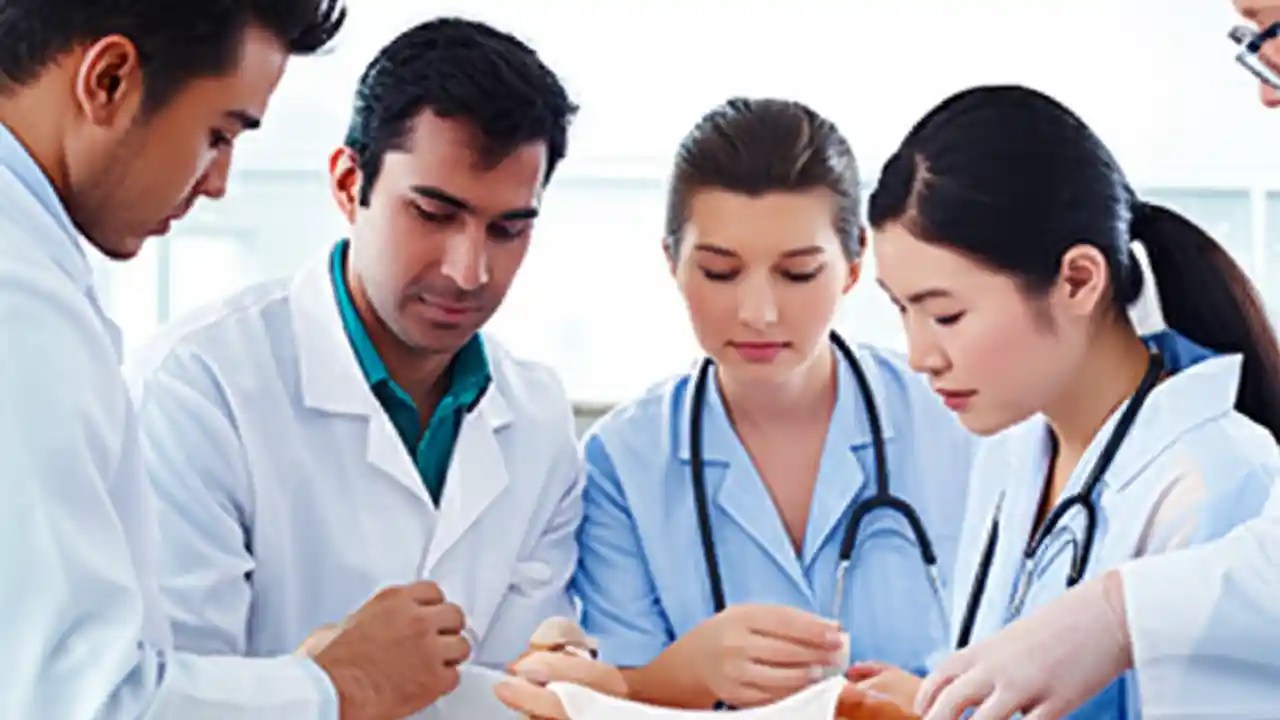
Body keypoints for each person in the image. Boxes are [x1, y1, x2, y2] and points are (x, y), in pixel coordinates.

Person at [0, 2, 489, 719]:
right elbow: (76, 701)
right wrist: (337, 687)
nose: (217, 181)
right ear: (107, 80)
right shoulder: (23, 307)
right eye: (217, 134)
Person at [125, 16, 581, 715]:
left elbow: (520, 691)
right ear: (348, 184)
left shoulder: (540, 418)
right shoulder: (202, 386)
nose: (468, 271)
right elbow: (174, 694)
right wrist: (335, 686)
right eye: (433, 213)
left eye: (508, 229)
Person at [495, 97, 978, 716]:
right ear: (671, 262)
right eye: (720, 272)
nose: (758, 313)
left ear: (855, 265)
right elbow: (619, 699)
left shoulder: (954, 422)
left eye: (798, 274)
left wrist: (940, 704)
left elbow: (1030, 661)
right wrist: (686, 675)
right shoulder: (623, 462)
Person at [850, 81, 1280, 720]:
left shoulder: (1219, 477)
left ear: (1078, 280)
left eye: (946, 314)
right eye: (901, 309)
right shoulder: (1014, 446)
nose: (920, 355)